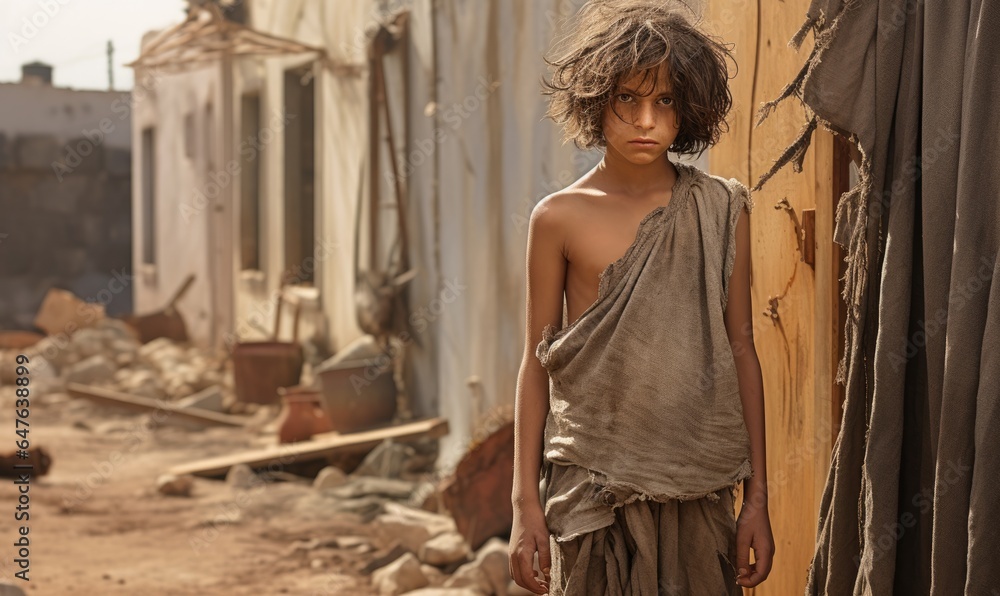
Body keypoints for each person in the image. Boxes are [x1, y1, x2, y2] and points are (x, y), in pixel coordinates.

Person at [509, 1, 774, 594]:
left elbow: (742, 348)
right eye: (627, 99)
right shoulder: (558, 218)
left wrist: (757, 497)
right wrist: (524, 502)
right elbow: (536, 361)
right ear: (595, 100)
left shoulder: (721, 209)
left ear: (690, 108)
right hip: (594, 492)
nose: (646, 121)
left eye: (665, 102)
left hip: (698, 487)